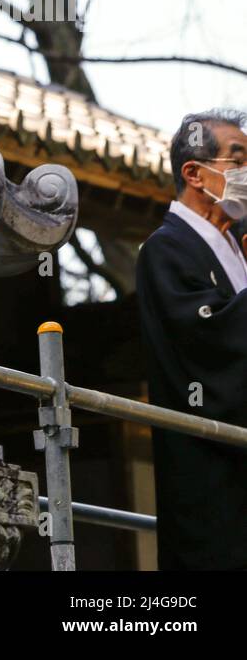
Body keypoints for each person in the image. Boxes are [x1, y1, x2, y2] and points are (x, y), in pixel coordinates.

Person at [135, 108, 247, 570]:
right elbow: (209, 340)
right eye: (238, 159)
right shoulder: (166, 248)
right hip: (209, 469)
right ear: (195, 174)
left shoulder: (236, 243)